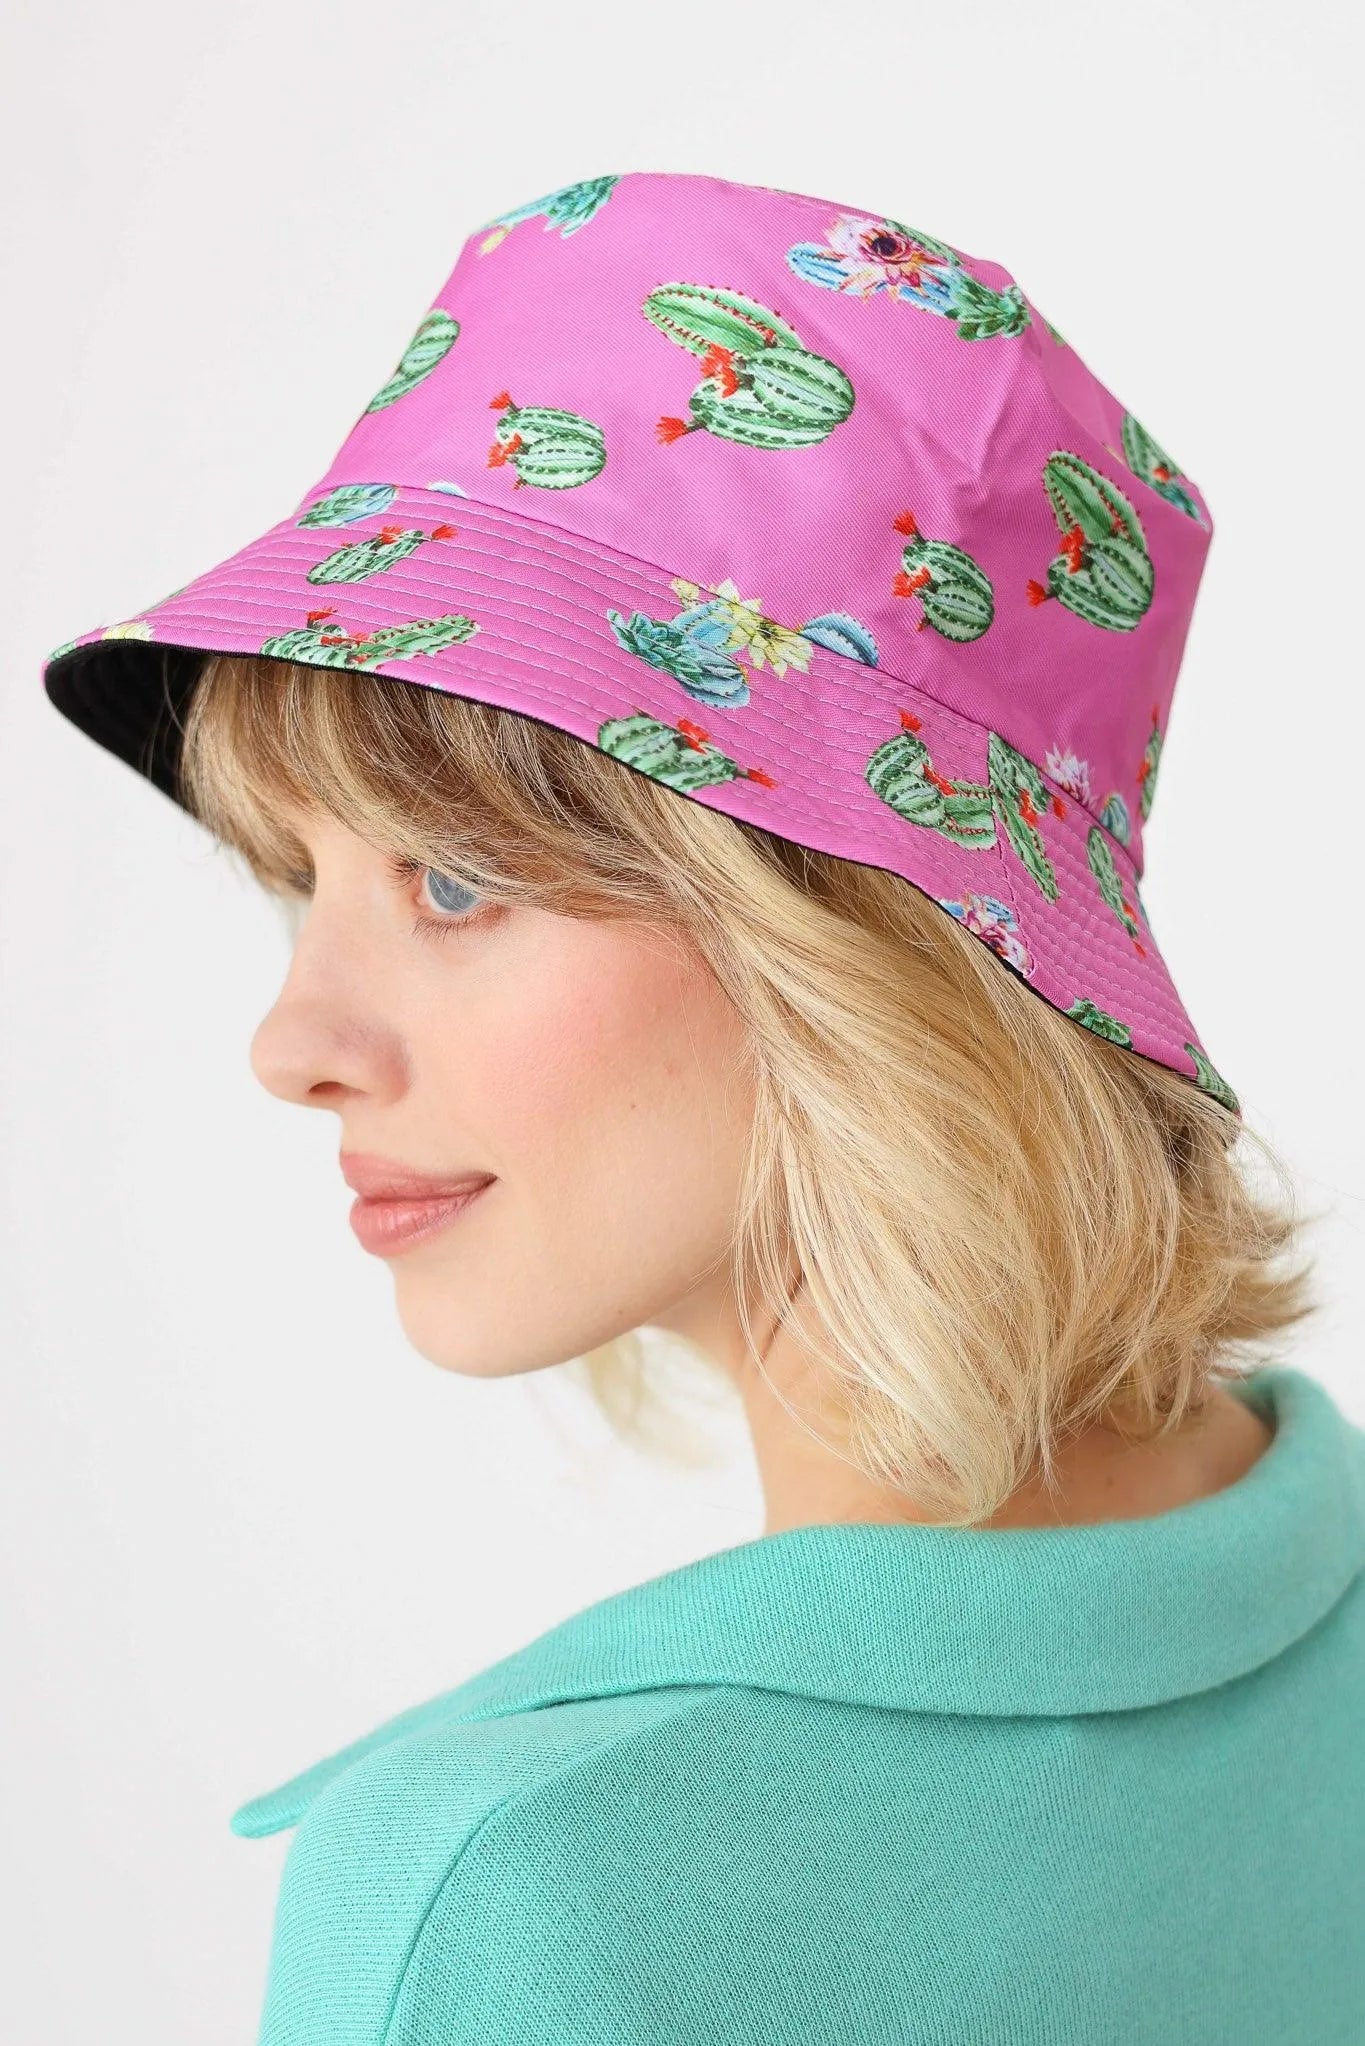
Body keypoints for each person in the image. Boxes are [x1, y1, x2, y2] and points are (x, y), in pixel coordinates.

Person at [43, 169, 1365, 2044]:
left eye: (448, 879)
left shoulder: (528, 1893)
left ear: (848, 938)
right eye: (294, 877)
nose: (293, 1040)